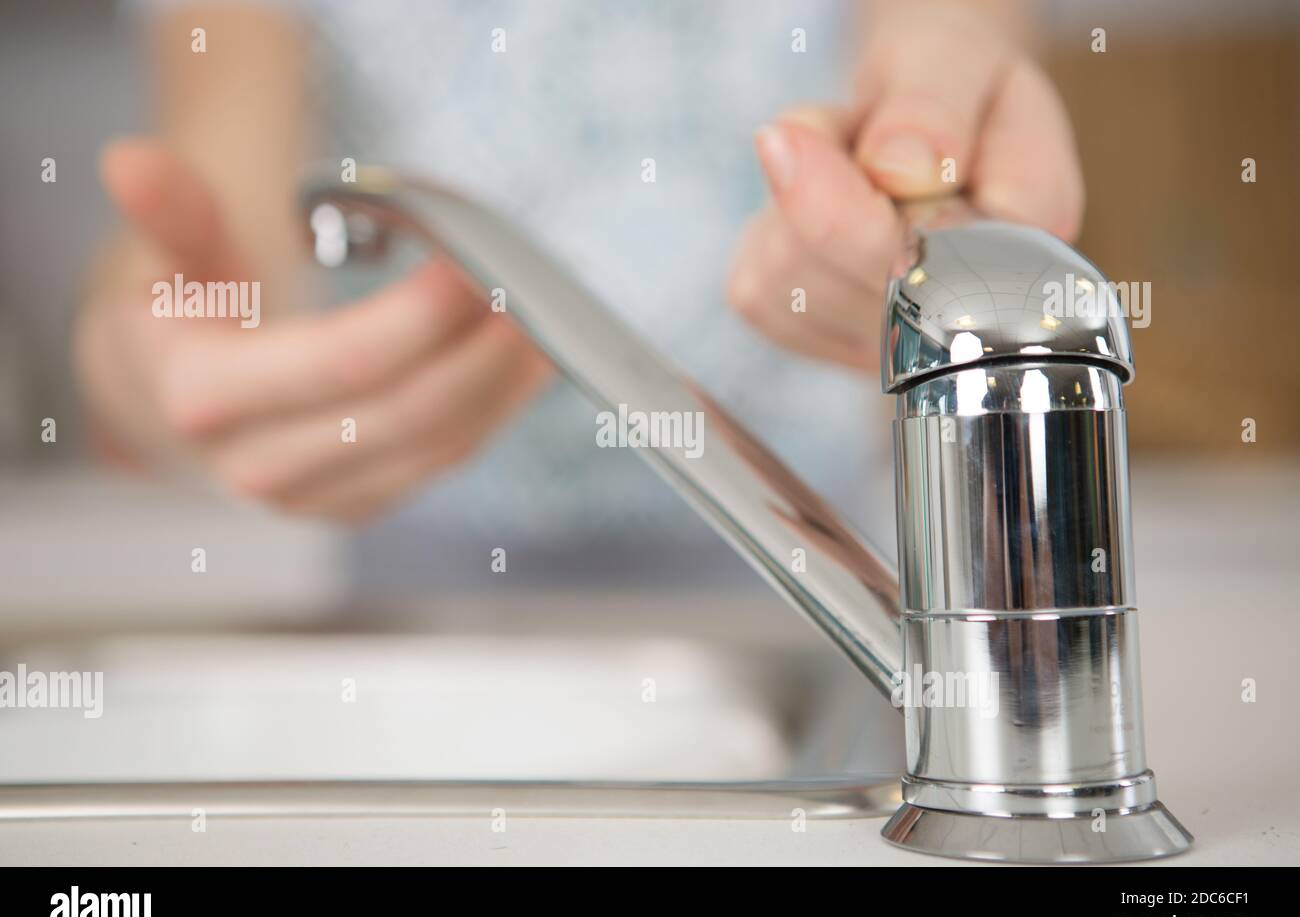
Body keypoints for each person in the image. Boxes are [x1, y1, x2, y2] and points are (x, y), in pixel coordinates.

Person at [76, 0, 1082, 559]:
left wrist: (934, 160)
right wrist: (160, 350)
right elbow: (223, 133)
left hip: (827, 566)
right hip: (411, 597)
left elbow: (951, 37)